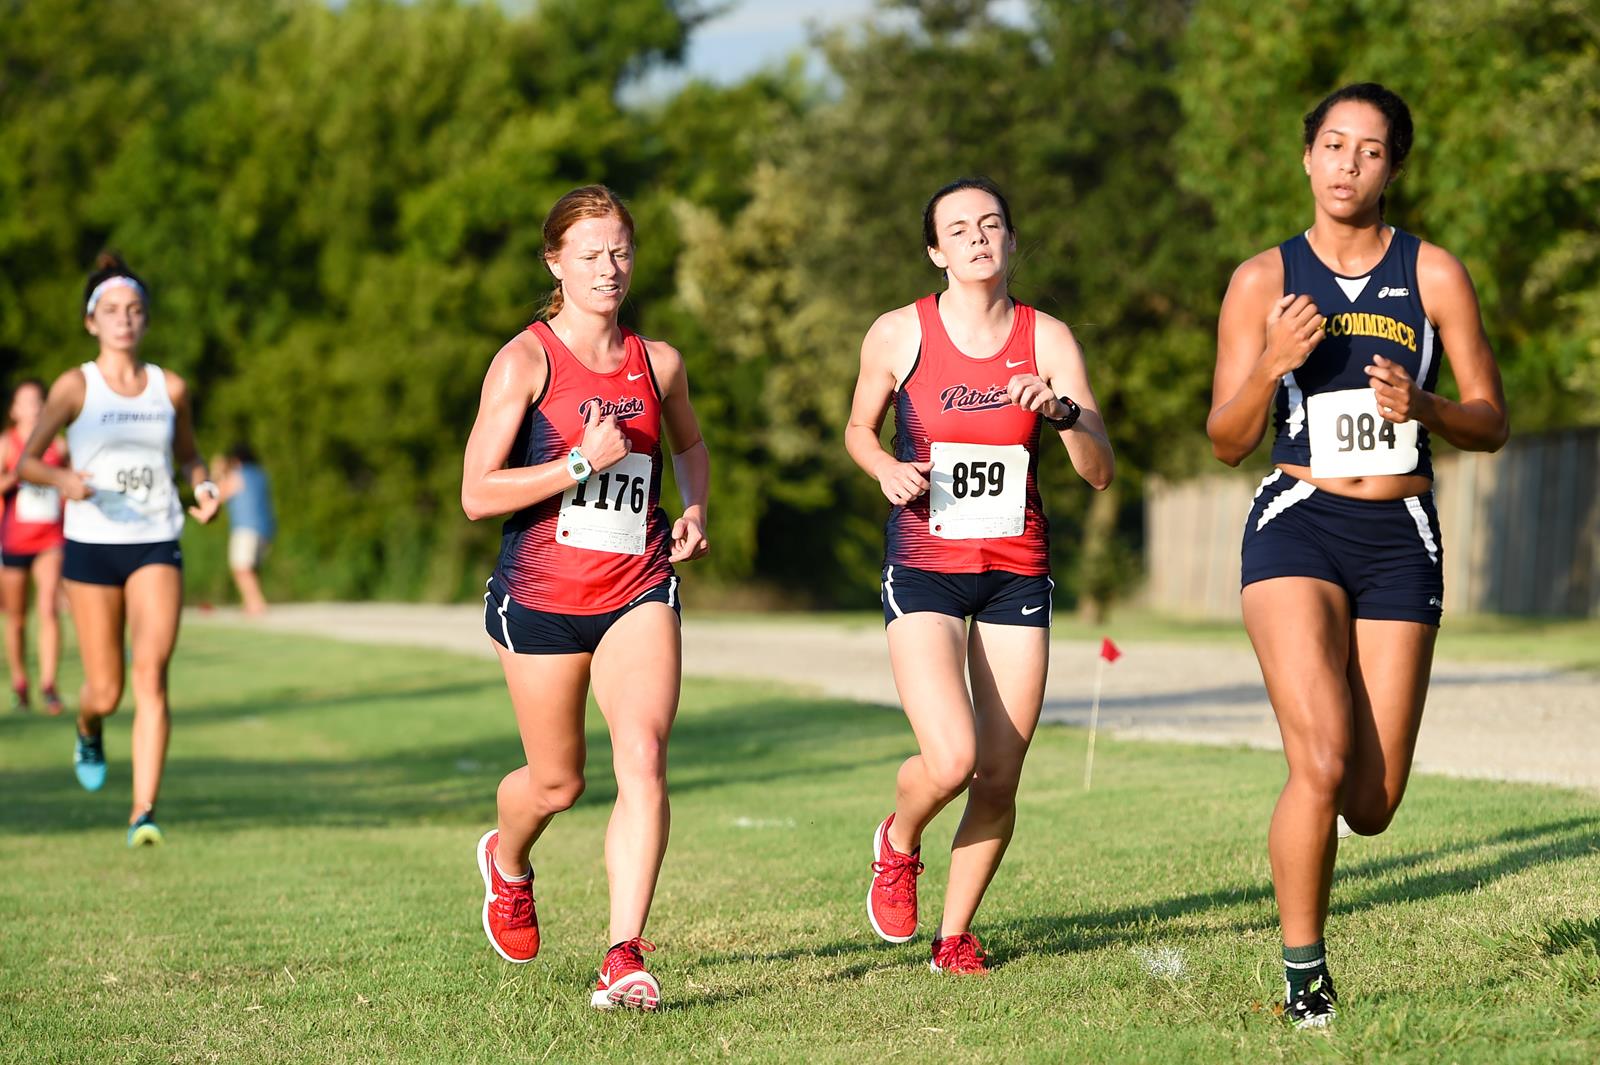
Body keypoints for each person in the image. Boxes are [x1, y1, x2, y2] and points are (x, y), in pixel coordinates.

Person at [1206, 83, 1508, 1027]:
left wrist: (1427, 409)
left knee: (1372, 802)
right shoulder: (1263, 280)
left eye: (1369, 150)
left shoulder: (1435, 274)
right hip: (1298, 517)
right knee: (1323, 760)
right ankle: (1305, 975)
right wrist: (1268, 364)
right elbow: (1223, 436)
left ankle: (1328, 792)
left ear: (1394, 167)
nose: (1347, 164)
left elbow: (1491, 421)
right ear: (1307, 157)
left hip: (1400, 537)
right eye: (1333, 145)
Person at [844, 177, 1114, 974]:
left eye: (991, 223)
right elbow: (858, 428)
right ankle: (898, 840)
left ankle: (954, 934)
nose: (976, 237)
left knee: (999, 771)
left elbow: (1099, 472)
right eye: (957, 228)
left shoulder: (1050, 339)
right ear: (935, 250)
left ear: (1011, 240)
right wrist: (885, 467)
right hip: (926, 565)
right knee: (953, 756)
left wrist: (1062, 415)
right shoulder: (900, 333)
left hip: (1016, 569)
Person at [460, 185, 710, 1012]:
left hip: (637, 586)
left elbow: (691, 443)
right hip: (540, 600)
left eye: (621, 252)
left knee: (642, 754)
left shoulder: (657, 362)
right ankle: (509, 860)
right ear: (556, 263)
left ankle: (624, 952)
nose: (610, 267)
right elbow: (475, 492)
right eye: (592, 253)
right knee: (557, 782)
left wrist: (696, 504)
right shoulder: (525, 360)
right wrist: (578, 463)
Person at [18, 252, 222, 847]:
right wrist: (64, 482)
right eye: (111, 310)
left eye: (134, 310)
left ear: (146, 320)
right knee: (105, 689)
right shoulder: (73, 385)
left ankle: (143, 811)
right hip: (91, 546)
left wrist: (204, 486)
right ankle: (87, 724)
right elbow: (28, 459)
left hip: (156, 539)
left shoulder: (170, 388)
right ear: (91, 321)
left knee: (151, 674)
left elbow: (190, 456)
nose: (124, 320)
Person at [0, 379, 69, 714]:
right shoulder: (6, 445)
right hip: (14, 540)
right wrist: (20, 473)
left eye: (38, 401)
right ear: (14, 409)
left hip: (51, 538)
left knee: (48, 607)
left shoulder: (59, 445)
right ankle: (20, 681)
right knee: (16, 618)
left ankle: (49, 683)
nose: (33, 407)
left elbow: (71, 482)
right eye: (25, 401)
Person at [216, 443, 275, 615]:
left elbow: (217, 495)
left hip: (246, 528)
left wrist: (218, 472)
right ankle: (251, 602)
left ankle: (256, 603)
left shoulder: (237, 475)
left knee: (241, 567)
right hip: (265, 528)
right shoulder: (260, 474)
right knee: (252, 567)